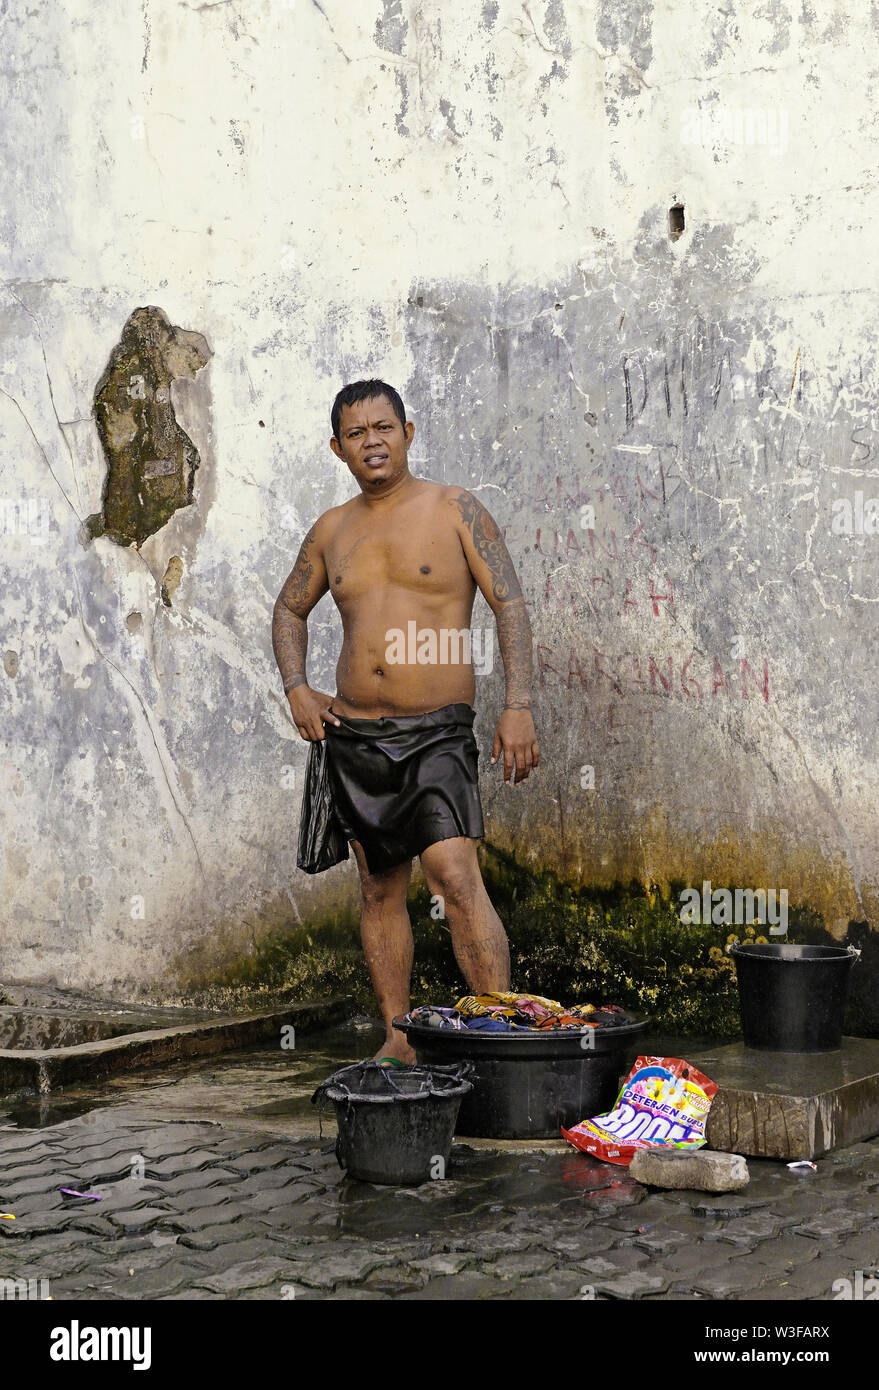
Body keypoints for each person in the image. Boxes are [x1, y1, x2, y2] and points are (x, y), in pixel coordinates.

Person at [271, 379, 539, 1064]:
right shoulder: (332, 529)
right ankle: (398, 1036)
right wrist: (298, 688)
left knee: (453, 872)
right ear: (338, 447)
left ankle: (497, 1033)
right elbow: (288, 610)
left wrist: (517, 704)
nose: (373, 441)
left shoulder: (454, 509)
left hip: (437, 731)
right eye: (357, 433)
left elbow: (507, 604)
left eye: (383, 427)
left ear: (408, 432)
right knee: (379, 886)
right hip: (355, 735)